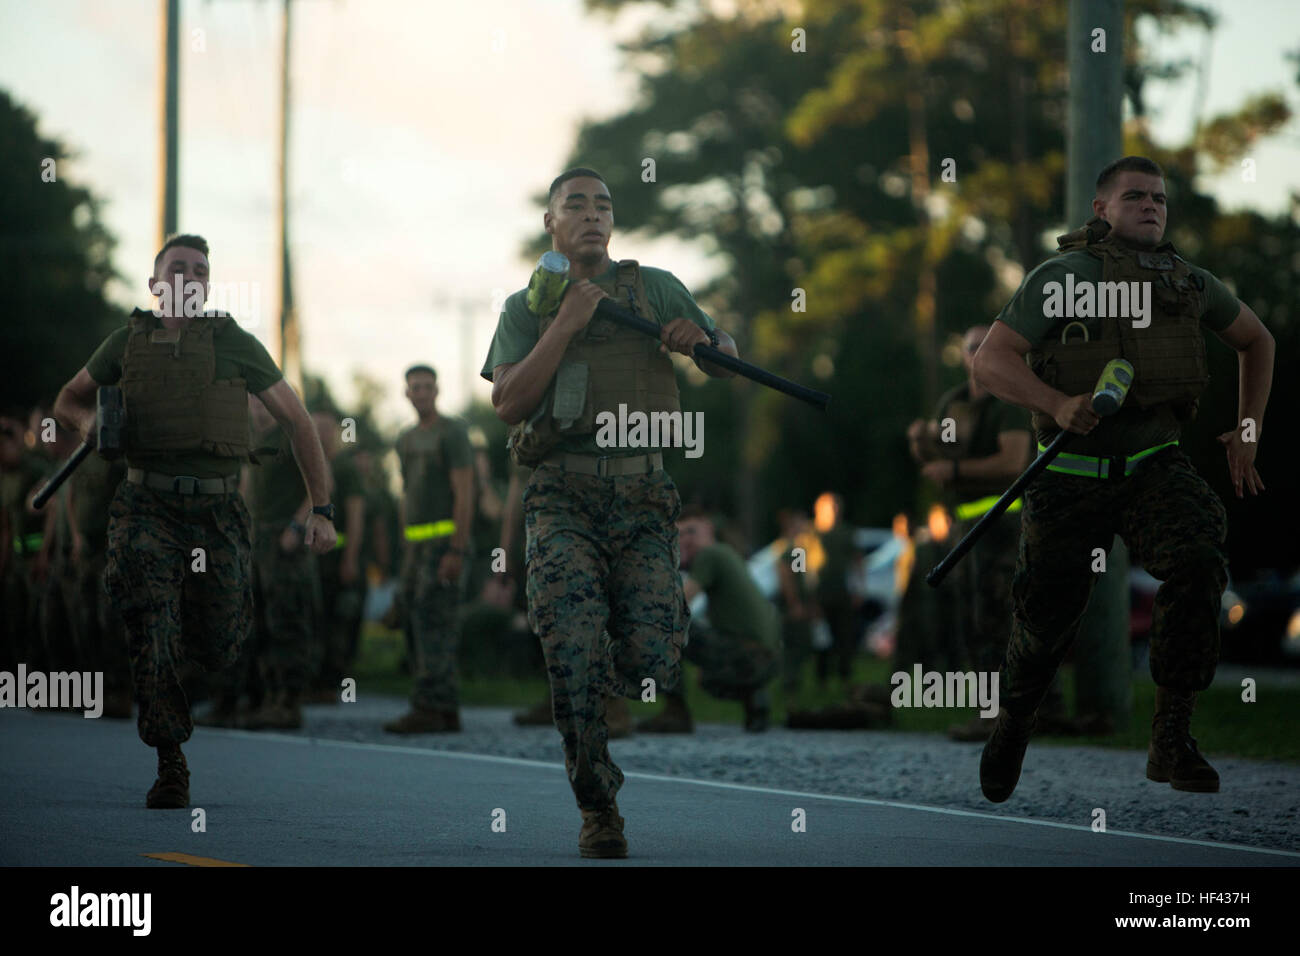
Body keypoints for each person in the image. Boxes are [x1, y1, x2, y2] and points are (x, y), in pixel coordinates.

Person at [973, 157, 1274, 802]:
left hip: (1151, 466)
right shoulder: (1063, 277)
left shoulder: (1188, 283)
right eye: (1135, 196)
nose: (1152, 206)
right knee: (1043, 626)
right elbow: (990, 362)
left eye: (1160, 198)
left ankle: (1171, 736)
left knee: (1198, 556)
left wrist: (1247, 431)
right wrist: (1054, 404)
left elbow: (1257, 340)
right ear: (1101, 209)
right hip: (1068, 474)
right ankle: (1014, 722)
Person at [482, 167, 738, 858]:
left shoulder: (653, 287)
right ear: (551, 224)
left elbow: (728, 359)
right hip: (561, 494)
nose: (592, 215)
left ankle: (609, 668)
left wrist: (702, 342)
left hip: (643, 494)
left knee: (654, 653)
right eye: (575, 205)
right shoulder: (525, 308)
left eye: (603, 205)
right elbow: (508, 405)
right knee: (569, 646)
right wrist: (566, 322)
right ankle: (599, 807)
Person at [52, 233, 336, 809]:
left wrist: (322, 509)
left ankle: (193, 646)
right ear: (156, 284)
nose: (188, 276)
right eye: (176, 267)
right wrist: (87, 424)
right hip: (145, 507)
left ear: (207, 286)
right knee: (149, 626)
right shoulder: (124, 343)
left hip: (218, 511)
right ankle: (170, 760)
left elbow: (298, 422)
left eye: (199, 270)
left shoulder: (235, 343)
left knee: (220, 641)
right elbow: (66, 400)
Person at [908, 325, 1034, 741]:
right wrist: (921, 445)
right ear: (962, 355)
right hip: (965, 526)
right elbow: (939, 457)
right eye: (970, 347)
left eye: (984, 346)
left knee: (1001, 618)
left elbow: (1015, 462)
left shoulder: (1009, 398)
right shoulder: (955, 402)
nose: (977, 353)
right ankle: (991, 713)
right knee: (971, 619)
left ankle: (1008, 714)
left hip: (1003, 520)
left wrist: (957, 471)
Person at [384, 364, 474, 734]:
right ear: (406, 394)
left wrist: (456, 549)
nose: (420, 393)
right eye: (414, 388)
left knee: (434, 621)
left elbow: (465, 492)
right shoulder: (404, 439)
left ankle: (432, 706)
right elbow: (406, 493)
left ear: (436, 391)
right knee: (414, 619)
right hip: (416, 547)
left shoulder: (452, 433)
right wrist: (405, 547)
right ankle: (442, 707)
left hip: (444, 544)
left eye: (426, 387)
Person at [638, 507, 780, 733]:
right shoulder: (728, 554)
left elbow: (677, 605)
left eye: (692, 531)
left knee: (665, 626)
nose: (686, 540)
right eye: (680, 535)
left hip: (747, 654)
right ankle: (754, 698)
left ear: (709, 528)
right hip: (766, 659)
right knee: (705, 677)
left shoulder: (710, 555)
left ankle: (676, 714)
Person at [311, 410, 367, 702]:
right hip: (314, 559)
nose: (319, 433)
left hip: (339, 556)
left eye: (324, 428)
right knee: (314, 620)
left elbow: (356, 515)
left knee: (340, 623)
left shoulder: (345, 468)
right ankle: (313, 681)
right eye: (314, 426)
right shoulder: (309, 464)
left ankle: (334, 685)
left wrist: (351, 558)